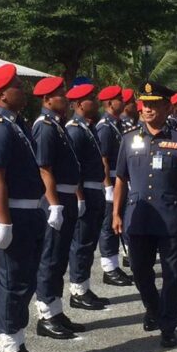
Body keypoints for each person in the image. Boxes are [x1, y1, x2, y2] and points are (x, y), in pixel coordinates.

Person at [113, 81, 177, 348]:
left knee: (172, 275)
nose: (147, 109)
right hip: (137, 217)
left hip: (170, 215)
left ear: (166, 106)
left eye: (153, 104)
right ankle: (153, 308)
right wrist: (115, 213)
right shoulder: (128, 138)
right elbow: (120, 179)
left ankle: (168, 325)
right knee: (140, 271)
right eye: (144, 104)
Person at [0, 63, 51, 352]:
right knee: (12, 283)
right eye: (18, 87)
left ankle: (18, 344)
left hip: (28, 213)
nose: (23, 91)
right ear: (1, 94)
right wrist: (3, 222)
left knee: (24, 281)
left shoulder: (16, 124)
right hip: (12, 214)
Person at [32, 76, 86, 339]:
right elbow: (44, 169)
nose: (65, 98)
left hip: (66, 197)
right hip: (56, 200)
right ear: (46, 99)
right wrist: (54, 205)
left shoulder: (57, 124)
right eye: (60, 94)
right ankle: (45, 313)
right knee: (50, 258)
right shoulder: (44, 127)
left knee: (60, 257)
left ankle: (56, 309)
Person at [65, 83, 112, 310]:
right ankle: (77, 290)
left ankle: (83, 285)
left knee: (89, 241)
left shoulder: (87, 127)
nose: (95, 102)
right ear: (79, 104)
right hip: (85, 190)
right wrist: (79, 196)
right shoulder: (74, 129)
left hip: (95, 190)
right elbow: (72, 167)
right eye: (90, 99)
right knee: (81, 242)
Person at [96, 85, 133, 287]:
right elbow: (103, 160)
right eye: (120, 99)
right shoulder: (104, 127)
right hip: (110, 180)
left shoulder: (116, 125)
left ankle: (115, 264)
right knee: (110, 224)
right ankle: (109, 267)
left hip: (120, 179)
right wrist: (108, 186)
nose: (124, 102)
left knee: (120, 221)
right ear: (110, 103)